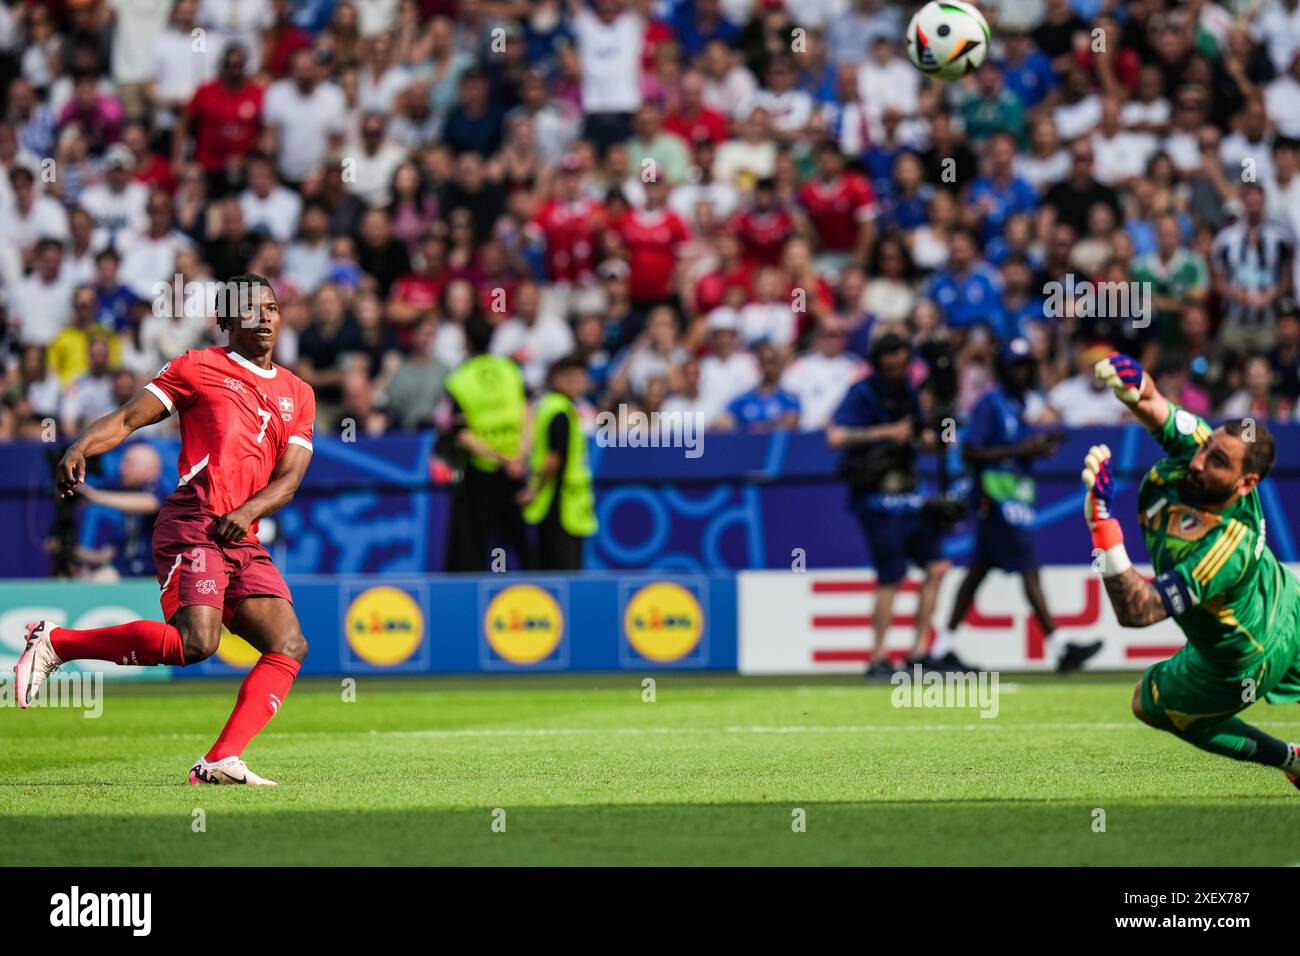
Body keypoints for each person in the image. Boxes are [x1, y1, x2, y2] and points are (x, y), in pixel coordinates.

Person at [14, 274, 317, 787]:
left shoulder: (298, 392)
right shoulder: (198, 368)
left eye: (271, 307)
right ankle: (57, 644)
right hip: (195, 522)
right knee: (197, 642)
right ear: (225, 321)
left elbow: (288, 479)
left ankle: (220, 760)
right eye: (250, 309)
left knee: (288, 644)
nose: (264, 317)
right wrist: (79, 448)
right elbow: (130, 418)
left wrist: (247, 513)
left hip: (240, 533)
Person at [1089, 351, 1300, 789]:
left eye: (1218, 462)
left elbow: (1139, 610)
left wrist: (1103, 526)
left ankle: (1291, 760)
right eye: (1206, 449)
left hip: (1245, 657)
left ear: (1246, 485)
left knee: (1150, 704)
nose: (1200, 462)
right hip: (1286, 600)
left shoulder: (1226, 547)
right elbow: (1154, 404)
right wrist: (1134, 381)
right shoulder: (1204, 447)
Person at [938, 338, 1102, 673]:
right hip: (996, 498)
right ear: (1004, 369)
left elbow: (1016, 447)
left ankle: (943, 647)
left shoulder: (1016, 405)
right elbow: (970, 452)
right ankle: (1059, 647)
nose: (1022, 371)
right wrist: (1021, 451)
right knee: (1029, 569)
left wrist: (1038, 448)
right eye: (1015, 365)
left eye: (1026, 365)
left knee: (976, 574)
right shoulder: (991, 404)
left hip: (1011, 498)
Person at [827, 333, 950, 679]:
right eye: (891, 365)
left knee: (937, 567)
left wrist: (927, 439)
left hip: (911, 495)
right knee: (891, 577)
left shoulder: (910, 393)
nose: (898, 370)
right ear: (879, 363)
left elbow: (921, 437)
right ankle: (878, 656)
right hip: (877, 497)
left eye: (903, 364)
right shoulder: (863, 392)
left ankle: (920, 651)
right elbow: (835, 436)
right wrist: (885, 433)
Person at [438, 314, 531, 572]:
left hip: (481, 472)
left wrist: (499, 458)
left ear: (467, 341)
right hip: (515, 469)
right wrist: (519, 455)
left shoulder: (459, 379)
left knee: (475, 546)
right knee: (522, 544)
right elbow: (528, 412)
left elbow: (462, 434)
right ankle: (538, 597)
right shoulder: (511, 369)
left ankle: (475, 606)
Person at [520, 355, 598, 570]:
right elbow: (553, 459)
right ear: (558, 379)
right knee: (563, 572)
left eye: (582, 377)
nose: (580, 383)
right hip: (562, 504)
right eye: (573, 378)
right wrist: (534, 488)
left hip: (560, 502)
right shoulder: (560, 411)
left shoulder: (551, 406)